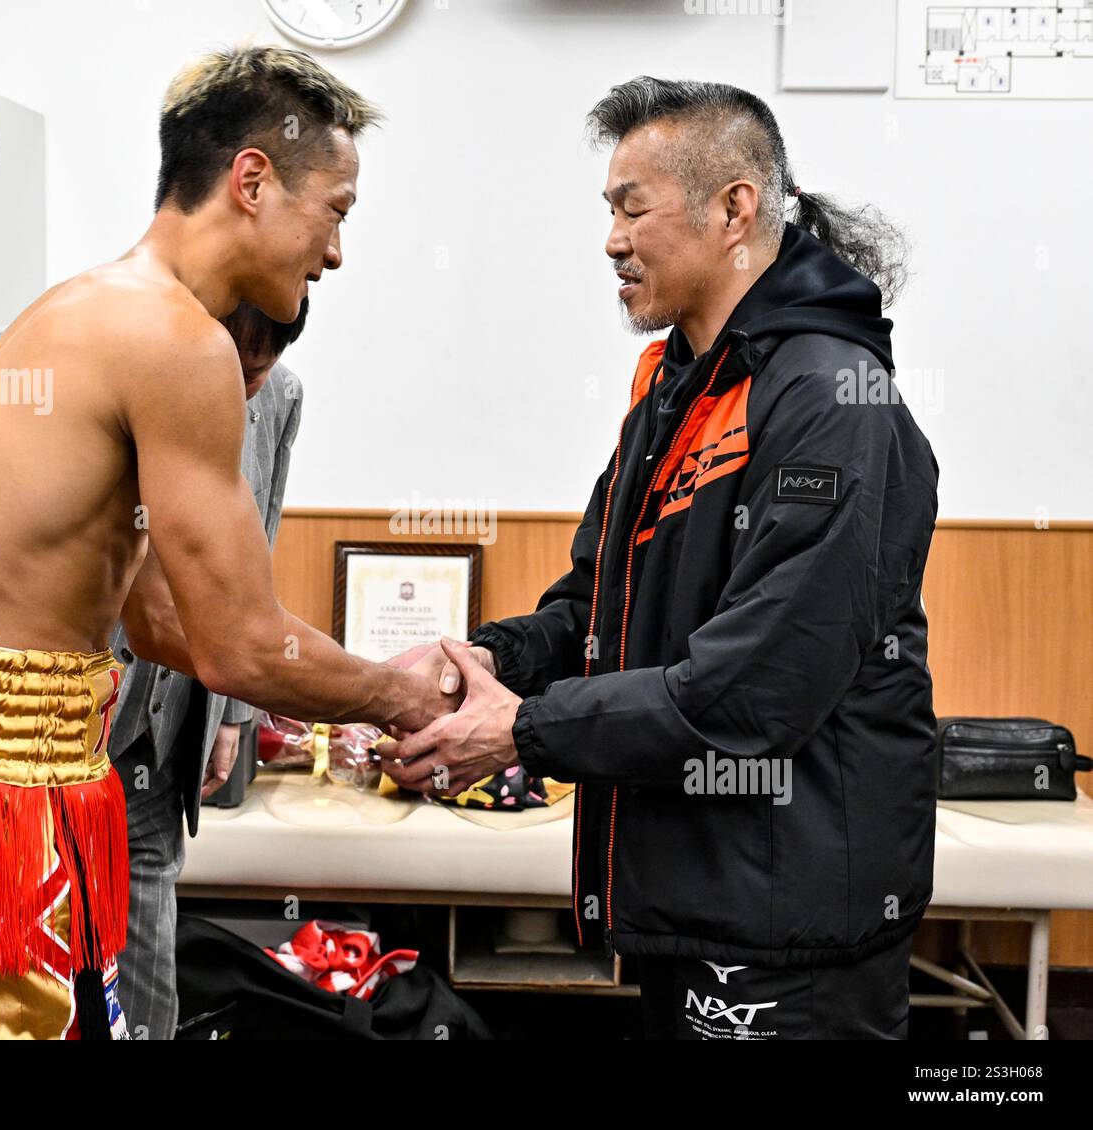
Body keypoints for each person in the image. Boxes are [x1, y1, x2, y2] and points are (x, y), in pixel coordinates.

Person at [0, 44, 455, 1040]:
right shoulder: (174, 341)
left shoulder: (83, 308)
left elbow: (160, 624)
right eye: (336, 210)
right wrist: (401, 696)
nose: (334, 251)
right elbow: (238, 643)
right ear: (252, 181)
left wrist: (332, 688)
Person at [382, 78, 939, 1040]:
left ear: (735, 209)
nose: (610, 238)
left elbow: (762, 684)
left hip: (788, 928)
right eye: (608, 209)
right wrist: (476, 666)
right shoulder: (676, 390)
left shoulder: (830, 399)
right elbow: (593, 606)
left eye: (631, 206)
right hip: (690, 903)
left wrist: (524, 732)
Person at [0, 299, 309, 1040]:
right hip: (31, 763)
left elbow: (252, 548)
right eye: (240, 365)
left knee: (146, 985)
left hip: (159, 751)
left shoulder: (282, 398)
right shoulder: (41, 358)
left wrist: (231, 713)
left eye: (259, 373)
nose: (246, 390)